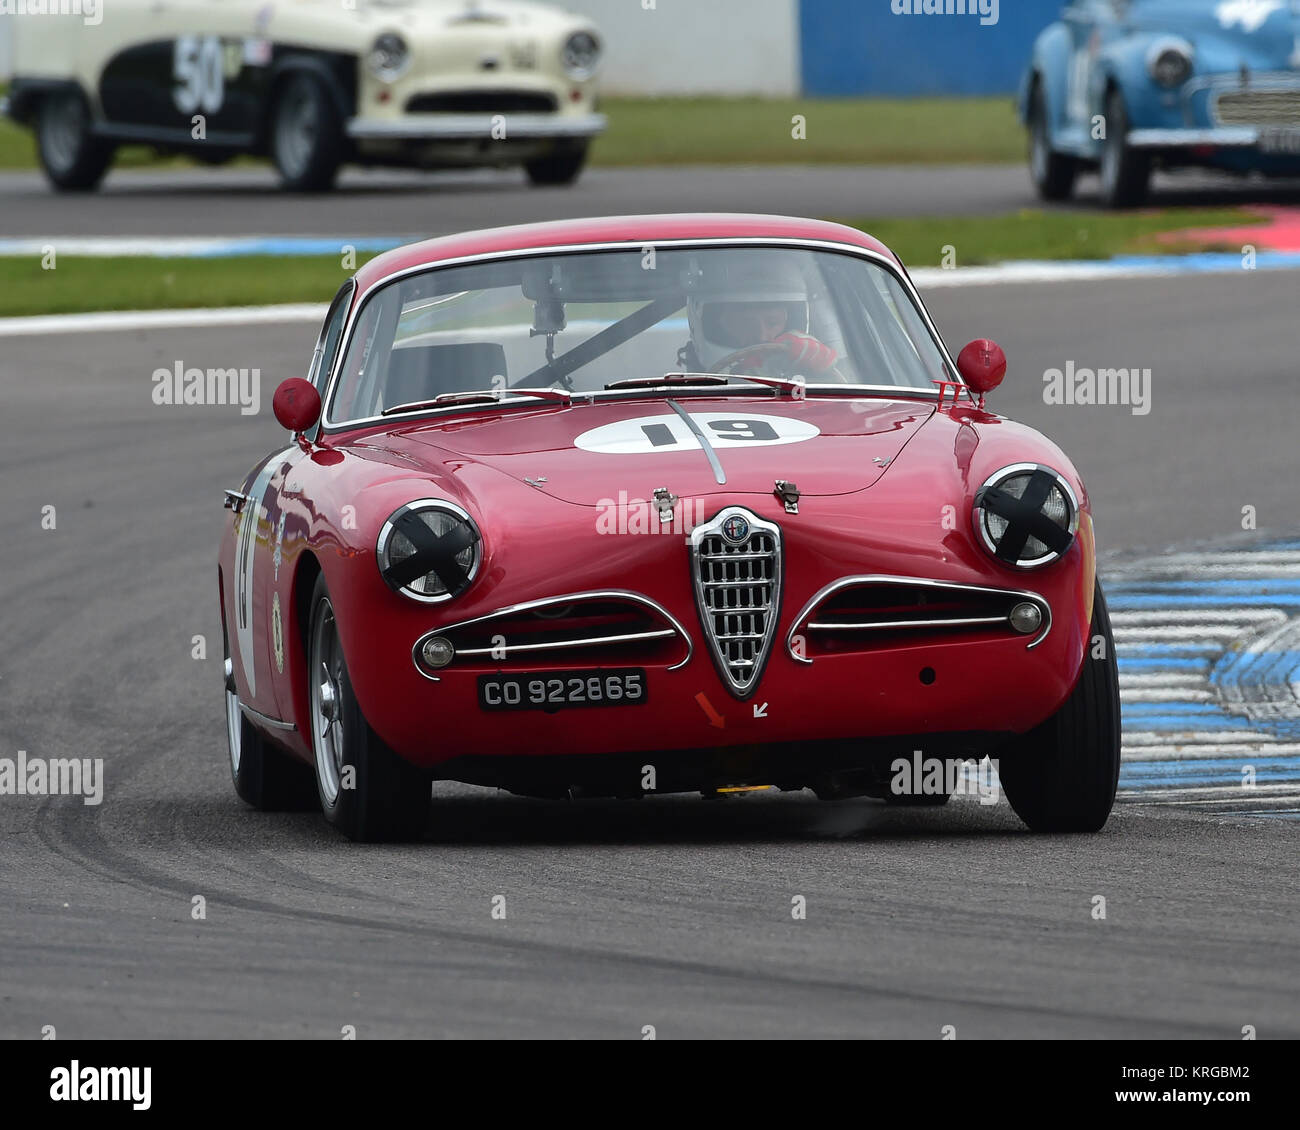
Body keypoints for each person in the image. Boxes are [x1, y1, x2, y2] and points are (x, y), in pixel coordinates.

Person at [680, 254, 841, 377]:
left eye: (773, 323)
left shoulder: (807, 370)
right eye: (745, 324)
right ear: (712, 323)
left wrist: (821, 374)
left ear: (793, 320)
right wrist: (745, 373)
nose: (762, 336)